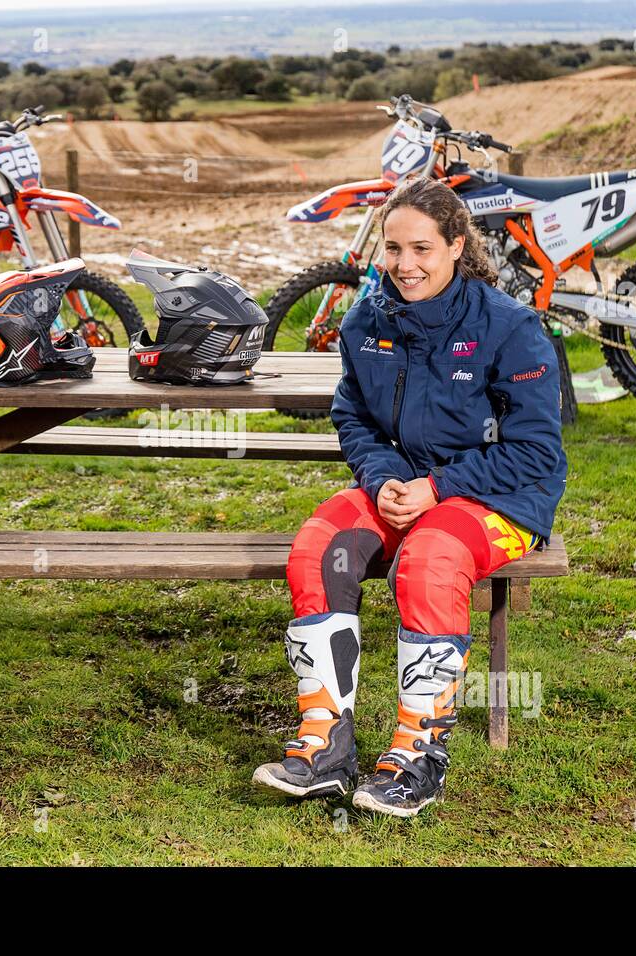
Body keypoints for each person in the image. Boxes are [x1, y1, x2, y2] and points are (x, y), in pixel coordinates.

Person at [253, 176, 567, 817]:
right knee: (322, 547)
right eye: (393, 249)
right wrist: (384, 481)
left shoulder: (511, 328)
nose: (405, 265)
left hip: (503, 498)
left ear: (457, 245)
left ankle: (417, 755)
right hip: (402, 488)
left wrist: (438, 488)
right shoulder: (367, 319)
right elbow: (354, 417)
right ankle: (325, 747)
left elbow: (538, 452)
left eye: (422, 248)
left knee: (429, 560)